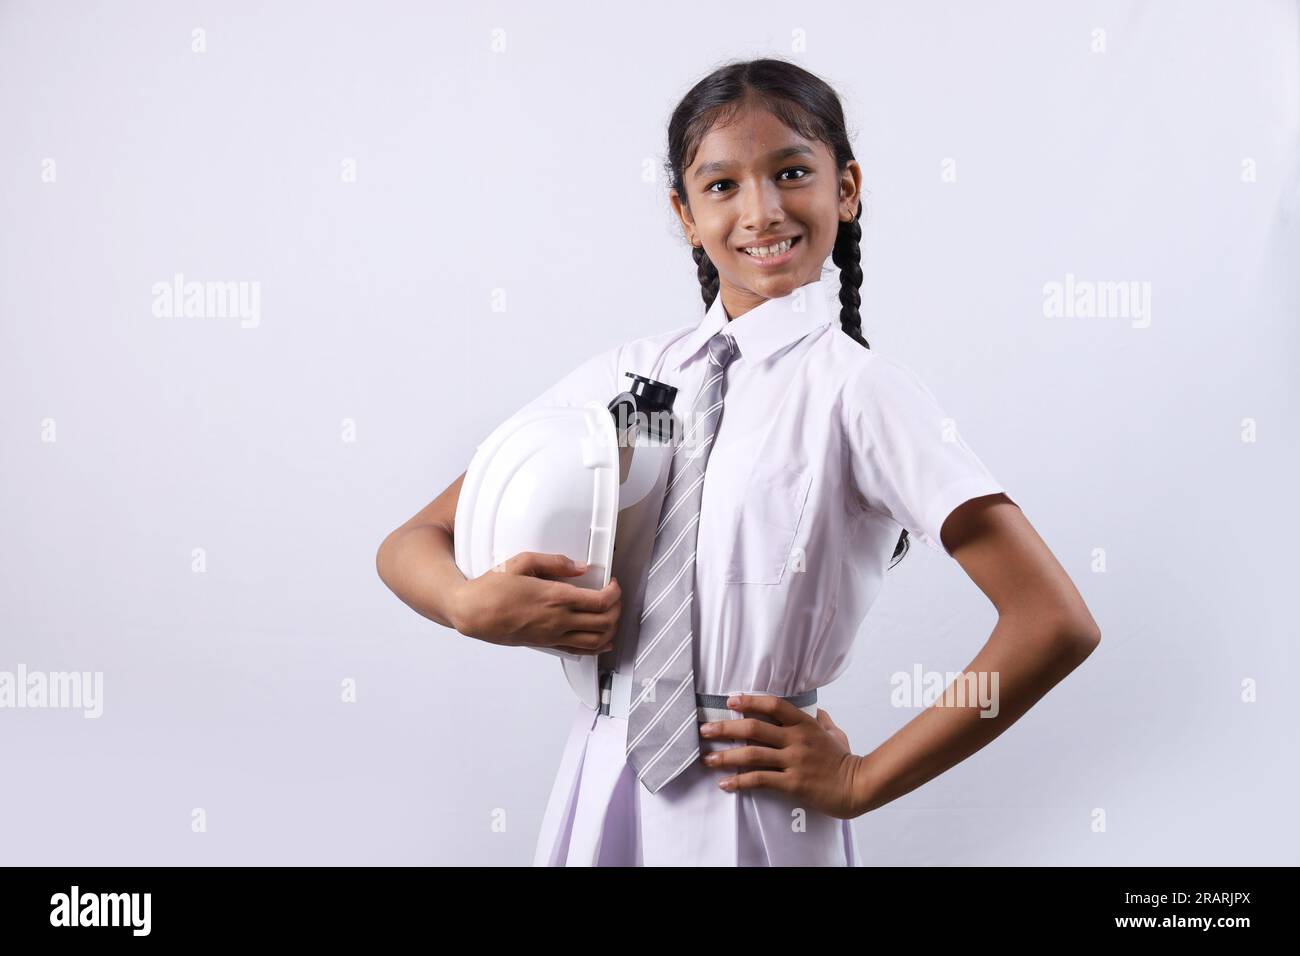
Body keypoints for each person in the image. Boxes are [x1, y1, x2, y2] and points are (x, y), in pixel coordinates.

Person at [376, 58, 1101, 866]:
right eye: (721, 186)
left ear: (846, 189)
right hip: (600, 777)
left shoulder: (860, 394)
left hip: (752, 803)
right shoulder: (634, 380)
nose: (761, 210)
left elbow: (1053, 622)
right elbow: (411, 542)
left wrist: (862, 780)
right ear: (685, 215)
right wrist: (467, 605)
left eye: (791, 172)